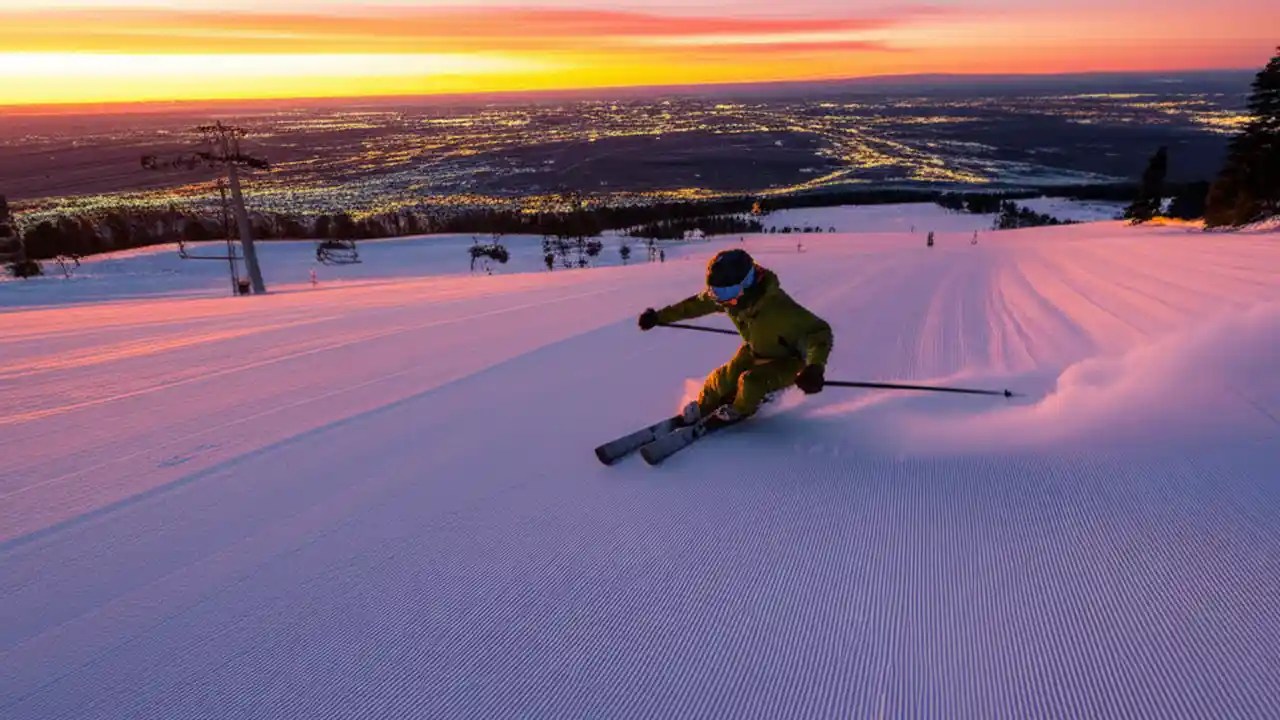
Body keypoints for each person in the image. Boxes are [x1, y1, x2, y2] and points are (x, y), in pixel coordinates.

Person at [638, 249, 833, 428]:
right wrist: (659, 317)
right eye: (717, 293)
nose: (723, 300)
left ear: (748, 283)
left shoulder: (779, 308)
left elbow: (818, 333)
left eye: (728, 292)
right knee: (722, 379)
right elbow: (694, 305)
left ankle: (739, 410)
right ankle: (704, 405)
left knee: (750, 382)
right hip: (754, 350)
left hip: (788, 362)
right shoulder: (730, 301)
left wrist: (814, 367)